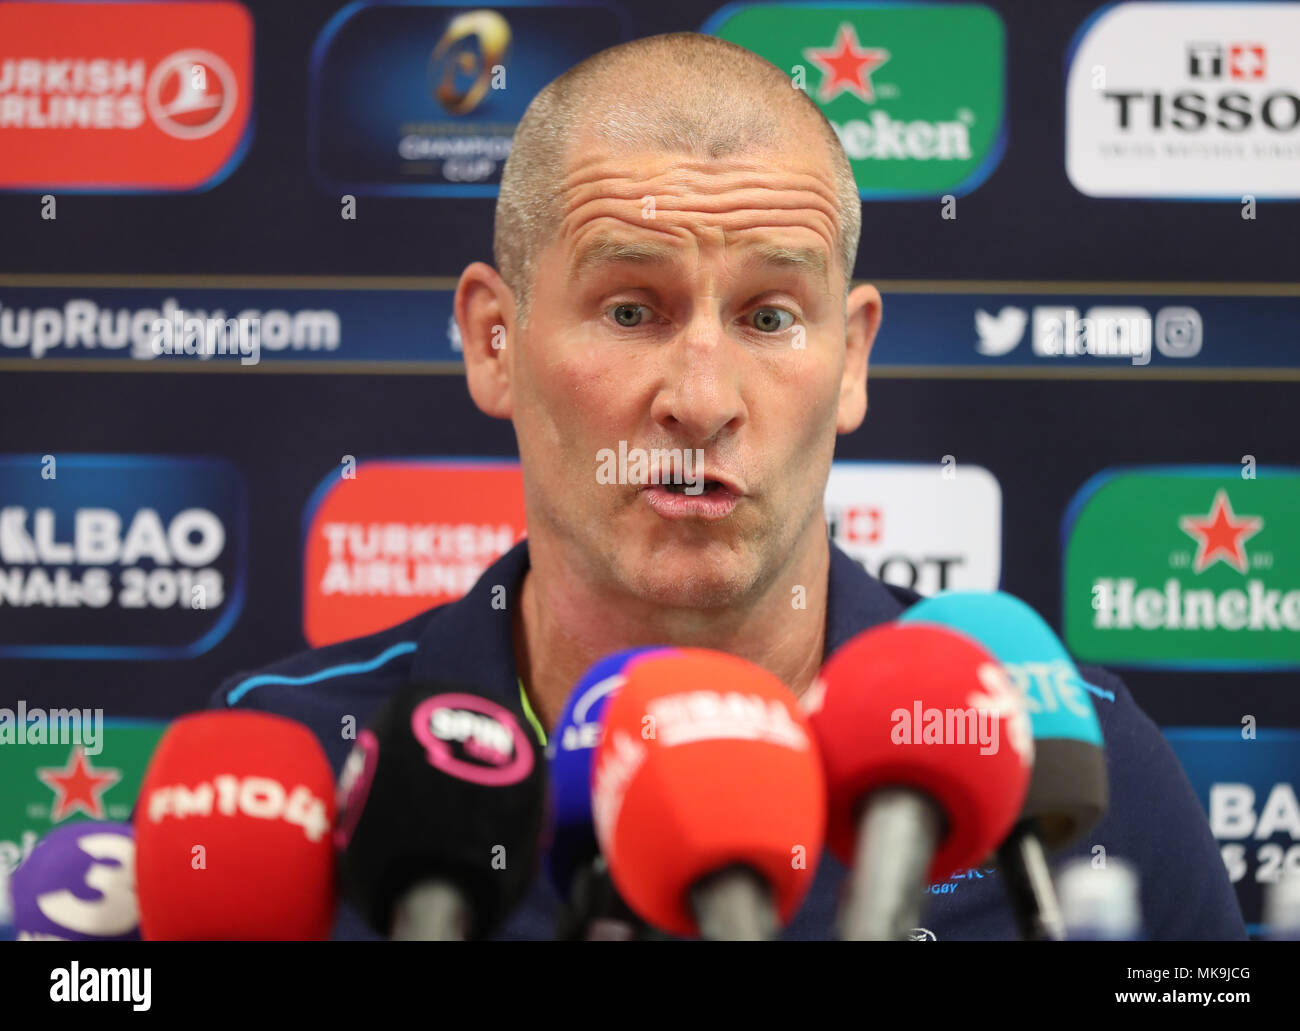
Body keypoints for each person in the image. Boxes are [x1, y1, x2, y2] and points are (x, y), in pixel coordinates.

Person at [213, 32, 1246, 940]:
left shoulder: (1074, 769)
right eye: (630, 309)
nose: (702, 400)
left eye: (767, 316)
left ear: (850, 361)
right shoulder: (285, 770)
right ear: (494, 340)